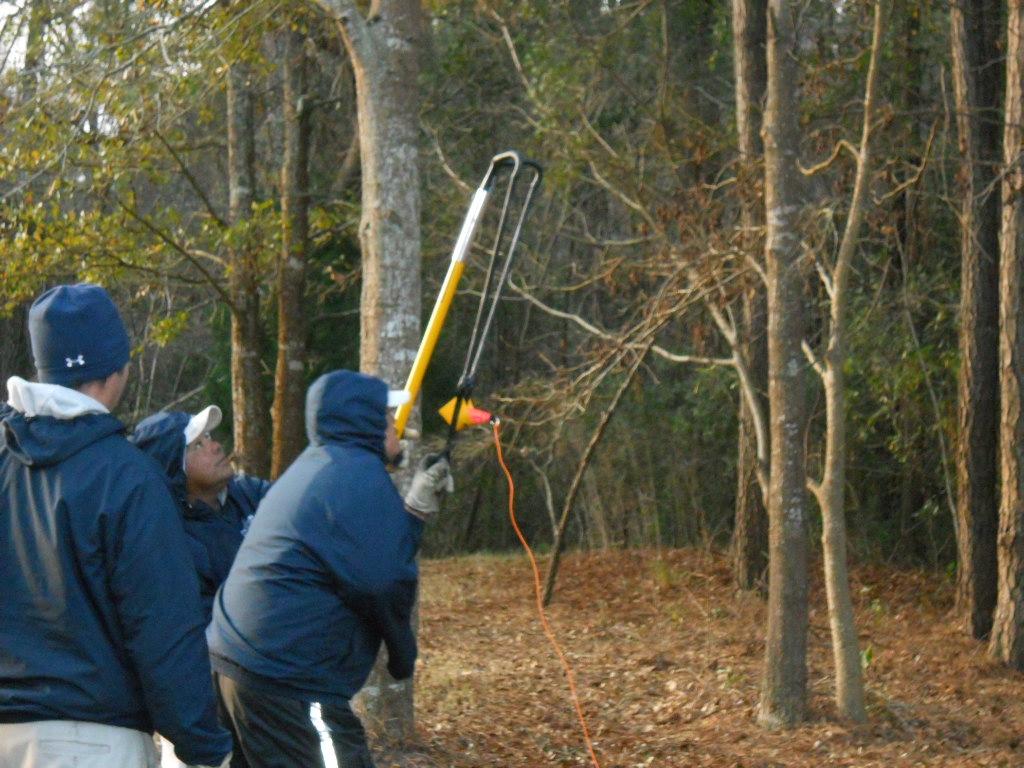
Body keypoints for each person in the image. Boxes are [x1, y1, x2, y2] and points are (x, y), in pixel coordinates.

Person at [0, 283, 232, 768]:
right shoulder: (127, 476)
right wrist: (204, 746)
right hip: (92, 740)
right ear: (119, 368)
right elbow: (163, 629)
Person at [206, 369, 453, 768]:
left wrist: (415, 510)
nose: (397, 428)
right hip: (287, 680)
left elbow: (367, 556)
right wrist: (403, 655)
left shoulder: (323, 466)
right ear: (368, 423)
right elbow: (383, 583)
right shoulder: (358, 477)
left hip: (235, 667)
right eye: (388, 417)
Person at [130, 405, 272, 621]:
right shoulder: (176, 545)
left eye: (208, 437)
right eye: (197, 445)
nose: (215, 447)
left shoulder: (246, 492)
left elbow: (301, 503)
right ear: (174, 470)